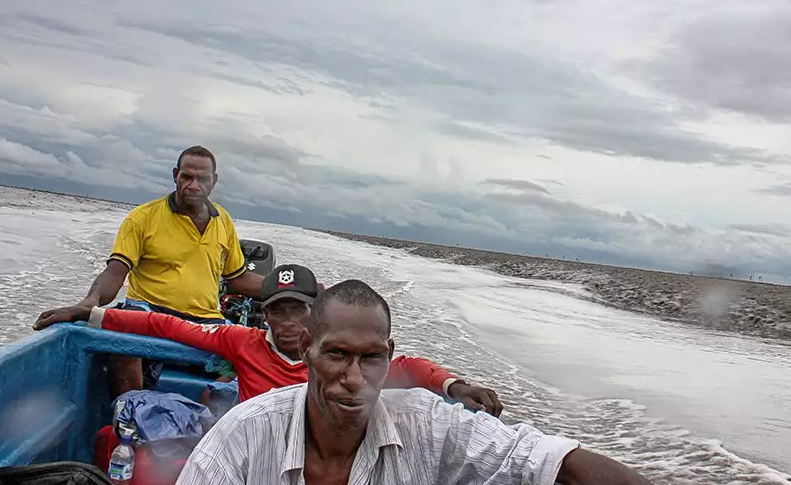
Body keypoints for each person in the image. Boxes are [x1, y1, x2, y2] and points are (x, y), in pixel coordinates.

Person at [175, 280, 652, 485]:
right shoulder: (243, 433)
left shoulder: (428, 425)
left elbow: (550, 463)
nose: (354, 379)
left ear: (390, 356)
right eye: (337, 355)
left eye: (372, 359)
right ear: (307, 352)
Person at [46, 263, 503, 416]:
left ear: (317, 313)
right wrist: (91, 312)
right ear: (264, 315)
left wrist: (456, 386)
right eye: (277, 311)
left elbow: (411, 367)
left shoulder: (343, 356)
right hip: (254, 447)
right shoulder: (241, 342)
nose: (288, 323)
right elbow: (166, 326)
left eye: (298, 310)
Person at [33, 146, 265, 397]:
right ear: (175, 175)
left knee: (256, 355)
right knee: (124, 340)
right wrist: (91, 301)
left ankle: (205, 417)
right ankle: (131, 416)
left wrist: (299, 289)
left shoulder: (224, 221)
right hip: (149, 310)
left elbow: (239, 278)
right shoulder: (142, 218)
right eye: (187, 176)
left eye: (202, 179)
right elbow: (116, 271)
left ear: (214, 181)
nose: (194, 185)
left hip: (204, 318)